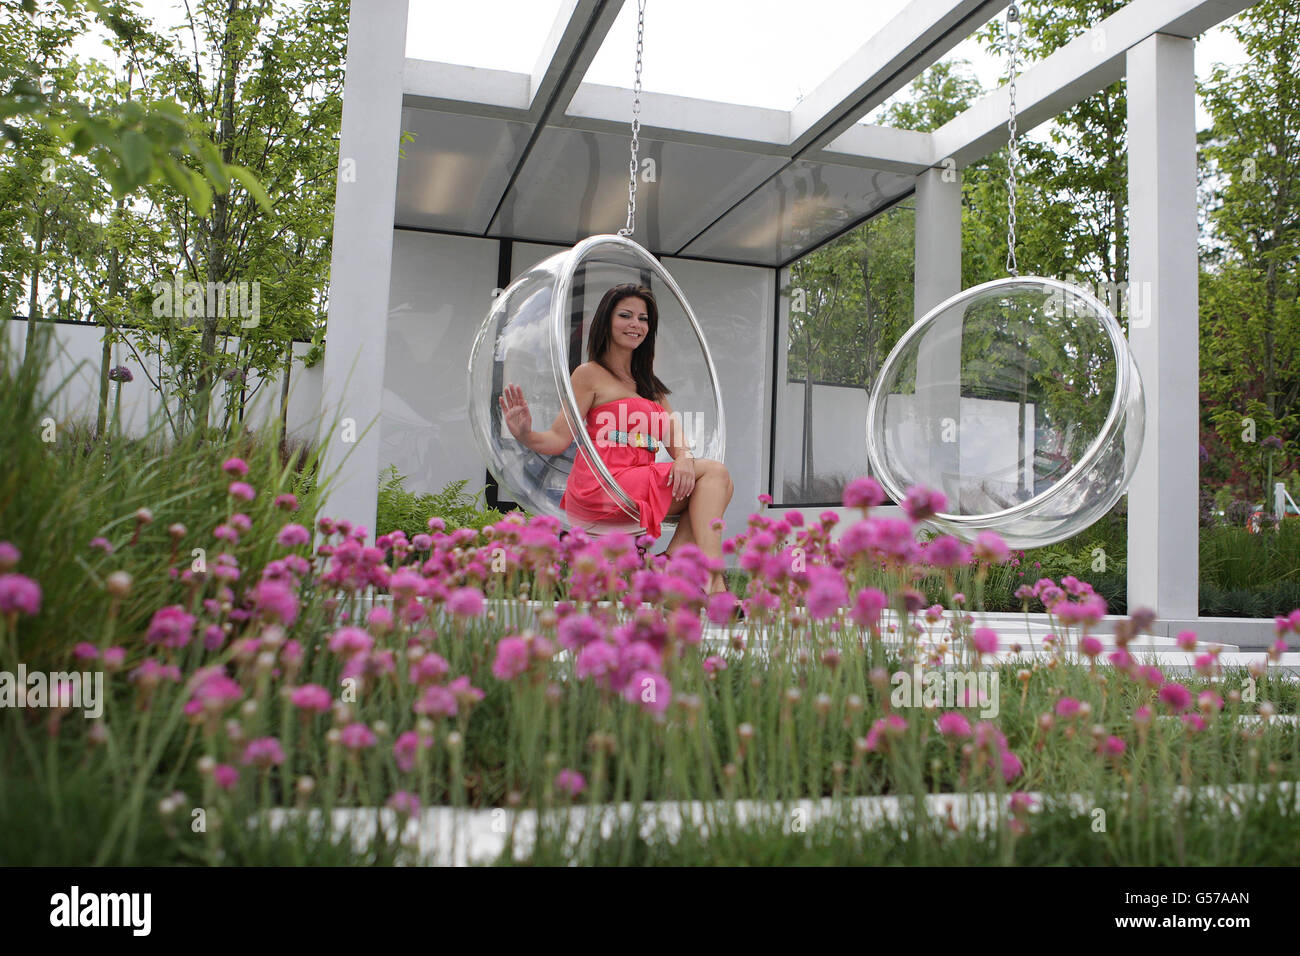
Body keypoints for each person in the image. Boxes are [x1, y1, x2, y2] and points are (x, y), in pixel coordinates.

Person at [499, 283, 734, 596]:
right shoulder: (589, 374)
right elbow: (558, 439)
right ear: (606, 322)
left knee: (716, 484)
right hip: (602, 484)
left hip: (636, 483)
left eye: (643, 318)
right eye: (625, 315)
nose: (635, 324)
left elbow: (679, 442)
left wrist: (683, 458)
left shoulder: (651, 386)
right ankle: (714, 582)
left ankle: (671, 570)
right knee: (715, 473)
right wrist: (525, 433)